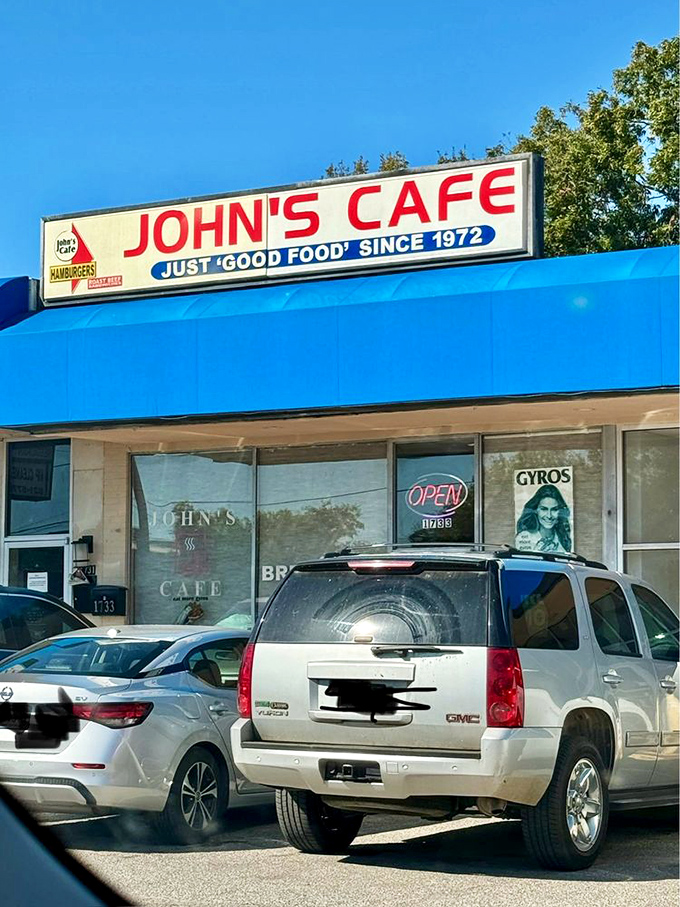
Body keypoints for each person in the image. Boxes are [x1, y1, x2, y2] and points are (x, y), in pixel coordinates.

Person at [515, 484, 572, 553]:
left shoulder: (563, 537)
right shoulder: (524, 537)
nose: (549, 516)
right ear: (536, 510)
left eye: (554, 509)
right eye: (544, 509)